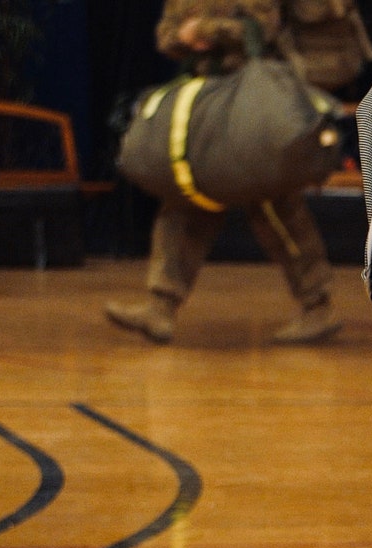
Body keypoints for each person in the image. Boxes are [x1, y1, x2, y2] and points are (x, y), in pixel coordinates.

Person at [105, 0, 342, 345]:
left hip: (255, 103)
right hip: (205, 104)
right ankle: (160, 306)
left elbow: (262, 30)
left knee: (275, 206)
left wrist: (203, 31)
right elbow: (166, 36)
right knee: (185, 201)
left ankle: (318, 305)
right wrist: (184, 37)